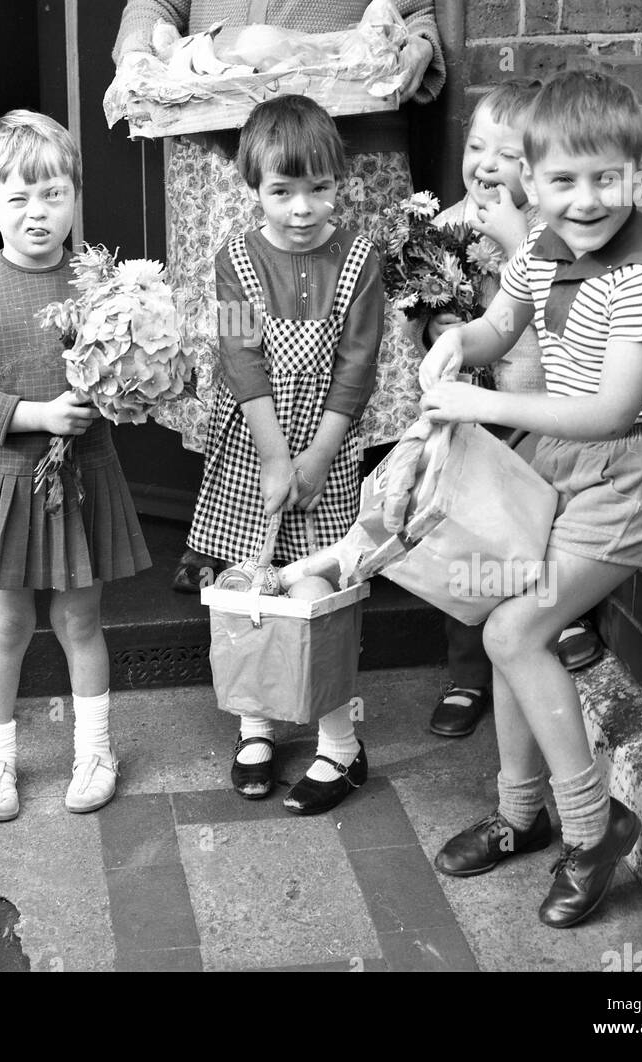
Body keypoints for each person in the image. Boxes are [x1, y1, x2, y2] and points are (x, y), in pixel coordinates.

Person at [112, 0, 444, 591]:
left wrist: (410, 51)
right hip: (222, 167)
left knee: (339, 345)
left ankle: (345, 533)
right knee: (239, 344)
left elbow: (414, 21)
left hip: (335, 165)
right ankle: (224, 524)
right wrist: (143, 54)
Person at [419, 70, 642, 926]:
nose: (586, 200)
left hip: (630, 471)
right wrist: (453, 346)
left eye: (605, 178)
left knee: (515, 629)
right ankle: (519, 816)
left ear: (637, 173)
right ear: (529, 184)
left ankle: (591, 829)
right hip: (564, 461)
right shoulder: (541, 250)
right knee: (507, 619)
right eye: (563, 182)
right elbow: (500, 327)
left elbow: (611, 409)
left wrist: (482, 402)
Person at [0, 112, 151, 823]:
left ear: (76, 195)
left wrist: (125, 391)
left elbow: (134, 366)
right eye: (18, 197)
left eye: (53, 194)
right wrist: (36, 416)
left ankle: (94, 751)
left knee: (81, 621)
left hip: (82, 472)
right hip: (3, 478)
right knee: (4, 624)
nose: (37, 213)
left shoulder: (101, 282)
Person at [188, 95, 385, 815]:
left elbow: (357, 367)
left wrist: (316, 458)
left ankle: (341, 746)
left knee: (318, 594)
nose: (301, 208)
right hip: (254, 439)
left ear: (338, 182)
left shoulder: (359, 260)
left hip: (328, 447)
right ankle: (256, 728)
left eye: (318, 189)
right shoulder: (235, 261)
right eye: (281, 191)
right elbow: (241, 360)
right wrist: (276, 458)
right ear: (253, 188)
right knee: (249, 589)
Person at [423, 79, 600, 737]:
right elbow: (426, 323)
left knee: (543, 525)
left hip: (539, 410)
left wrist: (515, 240)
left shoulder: (557, 233)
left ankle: (561, 618)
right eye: (475, 148)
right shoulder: (439, 231)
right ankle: (465, 673)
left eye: (507, 154)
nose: (485, 166)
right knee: (468, 536)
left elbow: (566, 312)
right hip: (472, 413)